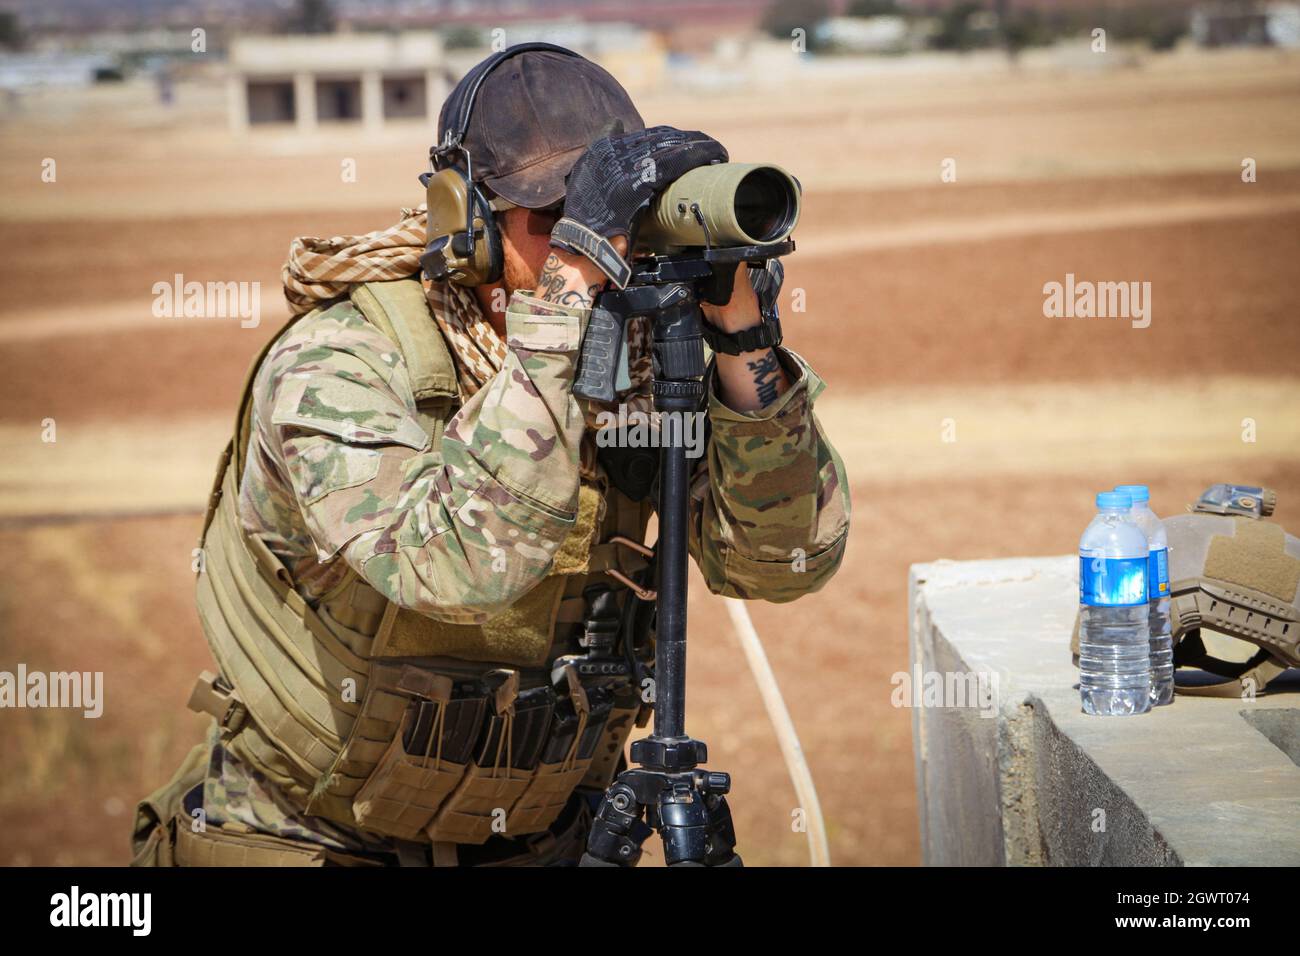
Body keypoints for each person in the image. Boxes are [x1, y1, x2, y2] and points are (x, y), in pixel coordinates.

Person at [131, 43, 850, 868]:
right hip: (314, 840)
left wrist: (741, 343)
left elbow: (781, 564)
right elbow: (458, 568)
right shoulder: (341, 363)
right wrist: (568, 294)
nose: (600, 252)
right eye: (554, 223)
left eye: (618, 225)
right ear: (462, 219)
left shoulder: (640, 366)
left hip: (542, 842)